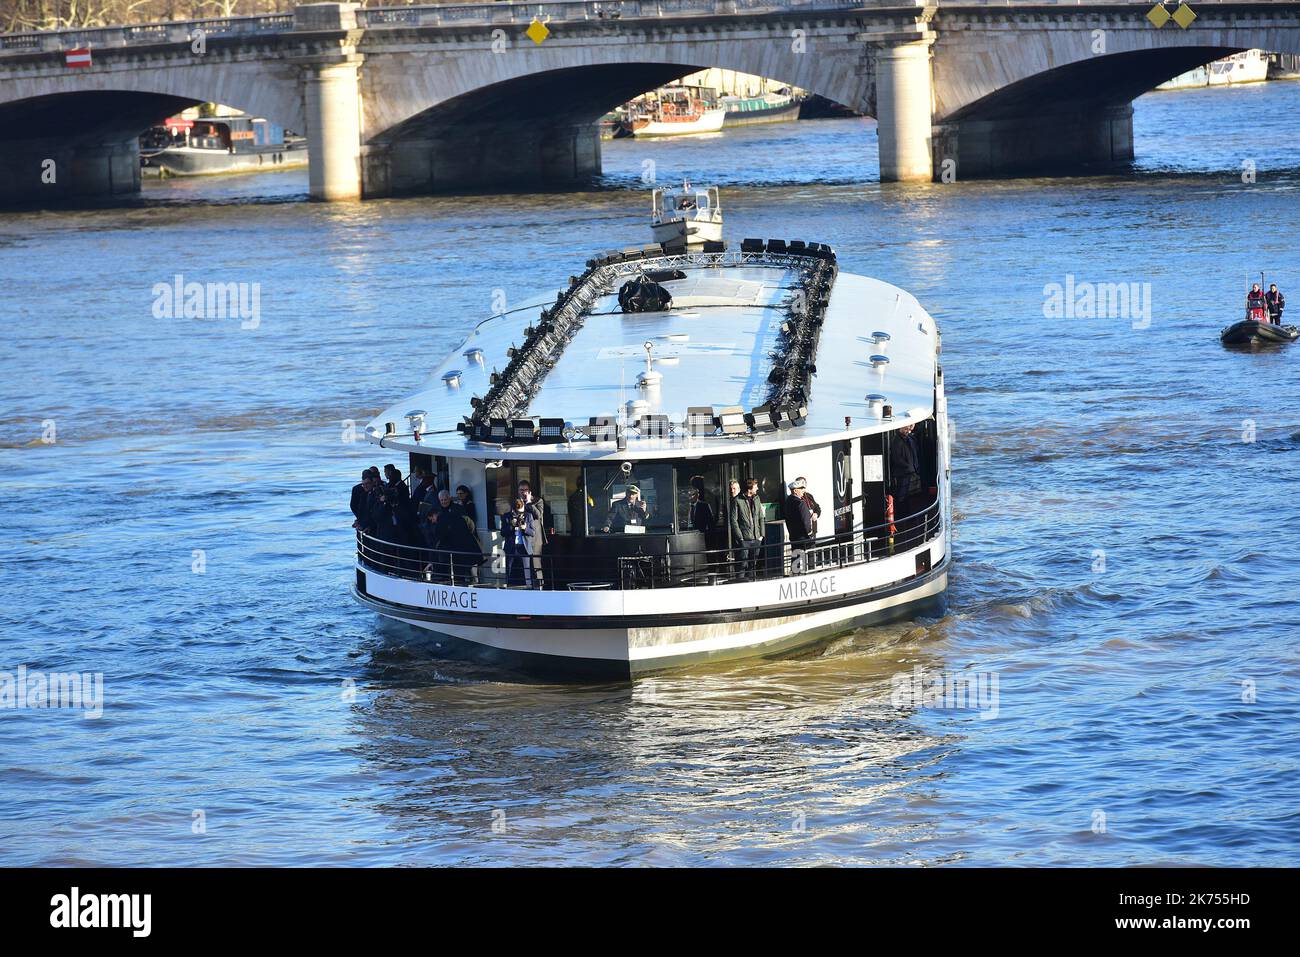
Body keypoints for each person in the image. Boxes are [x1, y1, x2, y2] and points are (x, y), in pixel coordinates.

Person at [429, 490, 482, 583]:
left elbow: (469, 524)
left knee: (461, 570)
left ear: (449, 498)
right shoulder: (437, 511)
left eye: (445, 499)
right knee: (445, 569)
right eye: (441, 500)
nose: (444, 502)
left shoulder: (458, 509)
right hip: (444, 546)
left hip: (459, 545)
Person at [889, 424, 925, 544]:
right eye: (906, 428)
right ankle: (903, 519)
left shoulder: (910, 439)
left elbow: (915, 453)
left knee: (913, 496)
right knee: (902, 496)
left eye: (910, 428)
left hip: (912, 471)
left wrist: (915, 468)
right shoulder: (896, 441)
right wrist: (909, 467)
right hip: (903, 473)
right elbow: (897, 459)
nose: (908, 430)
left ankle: (910, 517)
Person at [728, 477, 765, 578]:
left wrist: (761, 535)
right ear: (750, 488)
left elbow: (761, 517)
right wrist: (740, 537)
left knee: (753, 565)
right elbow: (733, 520)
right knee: (742, 565)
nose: (757, 488)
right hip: (744, 539)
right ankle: (740, 586)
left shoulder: (757, 499)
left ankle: (752, 585)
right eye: (755, 486)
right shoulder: (737, 500)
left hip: (756, 538)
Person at [501, 497, 536, 587]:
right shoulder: (506, 516)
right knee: (509, 570)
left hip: (524, 548)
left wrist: (525, 528)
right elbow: (503, 533)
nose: (519, 514)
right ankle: (510, 588)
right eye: (517, 512)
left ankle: (529, 588)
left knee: (527, 572)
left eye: (521, 512)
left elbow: (533, 532)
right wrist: (511, 526)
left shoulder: (528, 515)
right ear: (513, 510)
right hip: (511, 547)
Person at [783, 478, 818, 562]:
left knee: (796, 559)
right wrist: (809, 533)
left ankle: (795, 573)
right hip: (804, 537)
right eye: (801, 489)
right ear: (795, 490)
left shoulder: (788, 502)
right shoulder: (800, 503)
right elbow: (805, 521)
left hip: (794, 536)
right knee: (811, 557)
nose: (803, 490)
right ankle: (811, 573)